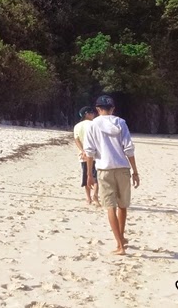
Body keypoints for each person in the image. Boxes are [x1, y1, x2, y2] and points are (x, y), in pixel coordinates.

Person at [83, 94, 140, 255]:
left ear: (97, 109)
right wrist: (135, 171)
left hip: (104, 169)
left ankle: (120, 245)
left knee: (110, 207)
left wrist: (89, 174)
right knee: (123, 206)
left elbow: (89, 152)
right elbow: (129, 149)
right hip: (123, 168)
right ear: (113, 109)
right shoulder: (121, 123)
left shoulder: (92, 125)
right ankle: (121, 238)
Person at [73, 106, 99, 205]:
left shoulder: (77, 126)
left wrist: (83, 150)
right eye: (92, 113)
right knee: (96, 176)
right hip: (95, 154)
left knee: (86, 176)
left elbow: (76, 140)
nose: (94, 114)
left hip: (83, 155)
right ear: (87, 114)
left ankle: (88, 198)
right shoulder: (94, 124)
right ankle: (95, 195)